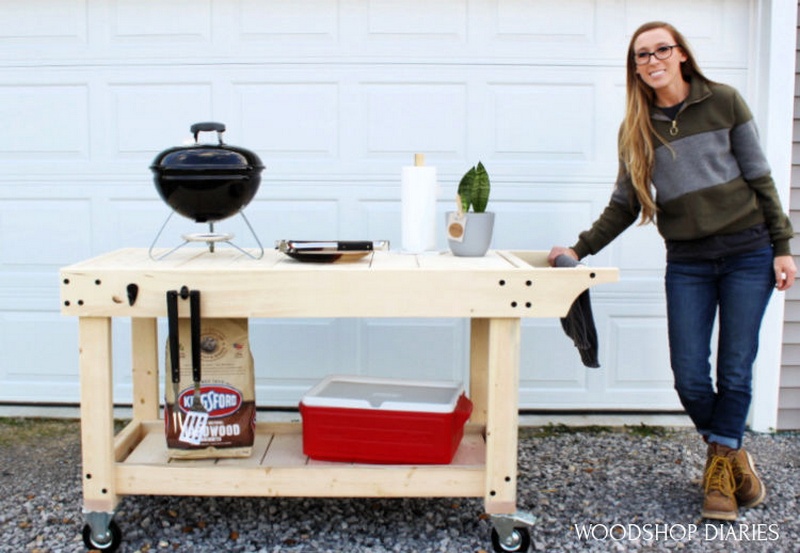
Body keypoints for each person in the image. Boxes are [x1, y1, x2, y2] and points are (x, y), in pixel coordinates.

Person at [548, 21, 797, 521]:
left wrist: (783, 246)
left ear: (681, 54)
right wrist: (578, 249)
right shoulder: (636, 128)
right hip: (688, 263)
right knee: (688, 375)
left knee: (734, 366)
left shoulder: (724, 101)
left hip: (748, 252)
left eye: (661, 49)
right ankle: (734, 455)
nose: (651, 60)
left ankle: (720, 480)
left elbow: (760, 177)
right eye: (641, 55)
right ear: (634, 67)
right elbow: (624, 205)